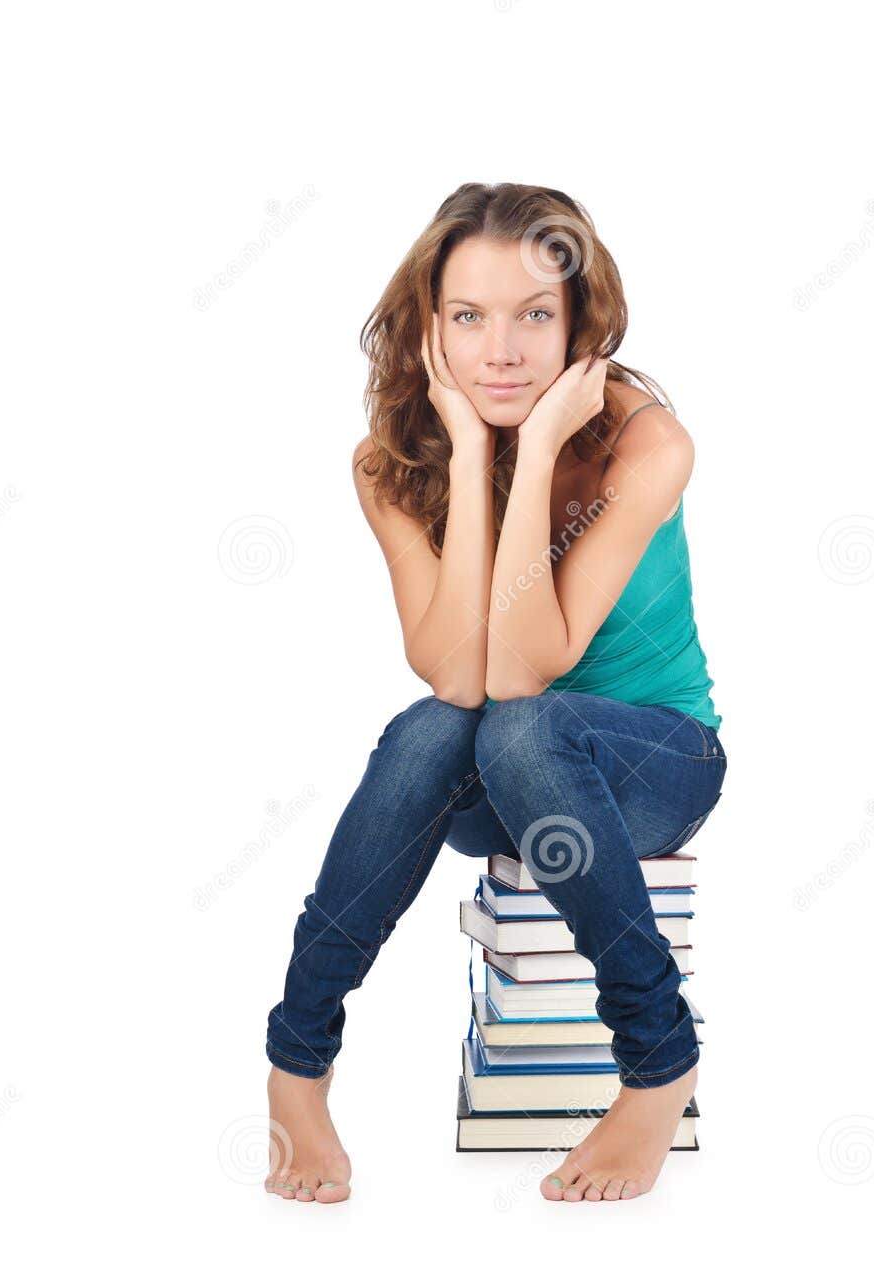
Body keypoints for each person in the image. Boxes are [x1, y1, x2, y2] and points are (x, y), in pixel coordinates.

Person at [263, 182, 726, 1206]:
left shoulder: (649, 445)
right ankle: (297, 1064)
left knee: (521, 726)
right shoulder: (388, 463)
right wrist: (473, 453)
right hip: (501, 773)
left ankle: (659, 1062)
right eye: (469, 316)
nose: (502, 351)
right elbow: (458, 675)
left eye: (534, 315)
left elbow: (523, 671)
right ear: (428, 328)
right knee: (438, 727)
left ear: (580, 325)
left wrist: (543, 446)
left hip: (657, 760)